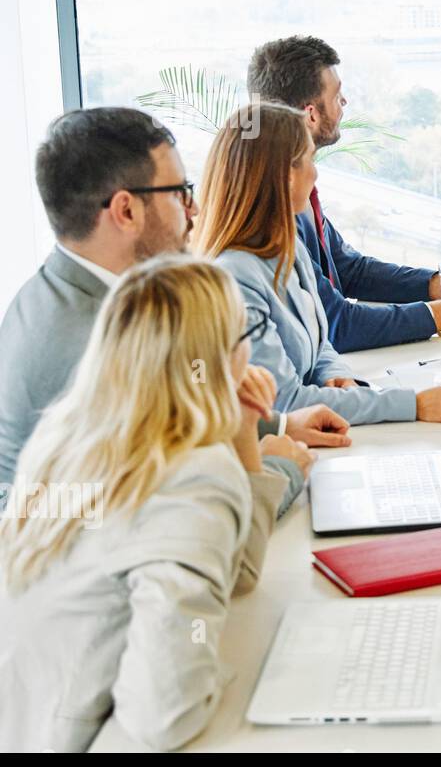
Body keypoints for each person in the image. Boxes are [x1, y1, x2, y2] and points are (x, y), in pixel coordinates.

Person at [0, 255, 289, 751]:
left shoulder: (72, 436)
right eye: (245, 335)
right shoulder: (191, 476)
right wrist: (210, 660)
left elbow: (233, 574)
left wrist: (243, 430)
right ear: (215, 358)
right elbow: (164, 710)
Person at [0, 108, 345, 511]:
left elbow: (186, 408)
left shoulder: (100, 293)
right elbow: (173, 513)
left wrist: (279, 424)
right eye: (180, 192)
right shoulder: (86, 342)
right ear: (126, 211)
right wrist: (276, 473)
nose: (194, 209)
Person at [198, 103, 441, 425]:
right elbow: (285, 403)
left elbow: (320, 343)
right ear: (284, 176)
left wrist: (335, 374)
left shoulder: (288, 248)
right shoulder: (235, 279)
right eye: (309, 160)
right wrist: (412, 405)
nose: (315, 174)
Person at [247, 35, 441, 353]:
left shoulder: (294, 188)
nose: (344, 102)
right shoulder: (272, 207)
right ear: (311, 115)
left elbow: (349, 270)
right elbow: (336, 324)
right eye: (336, 94)